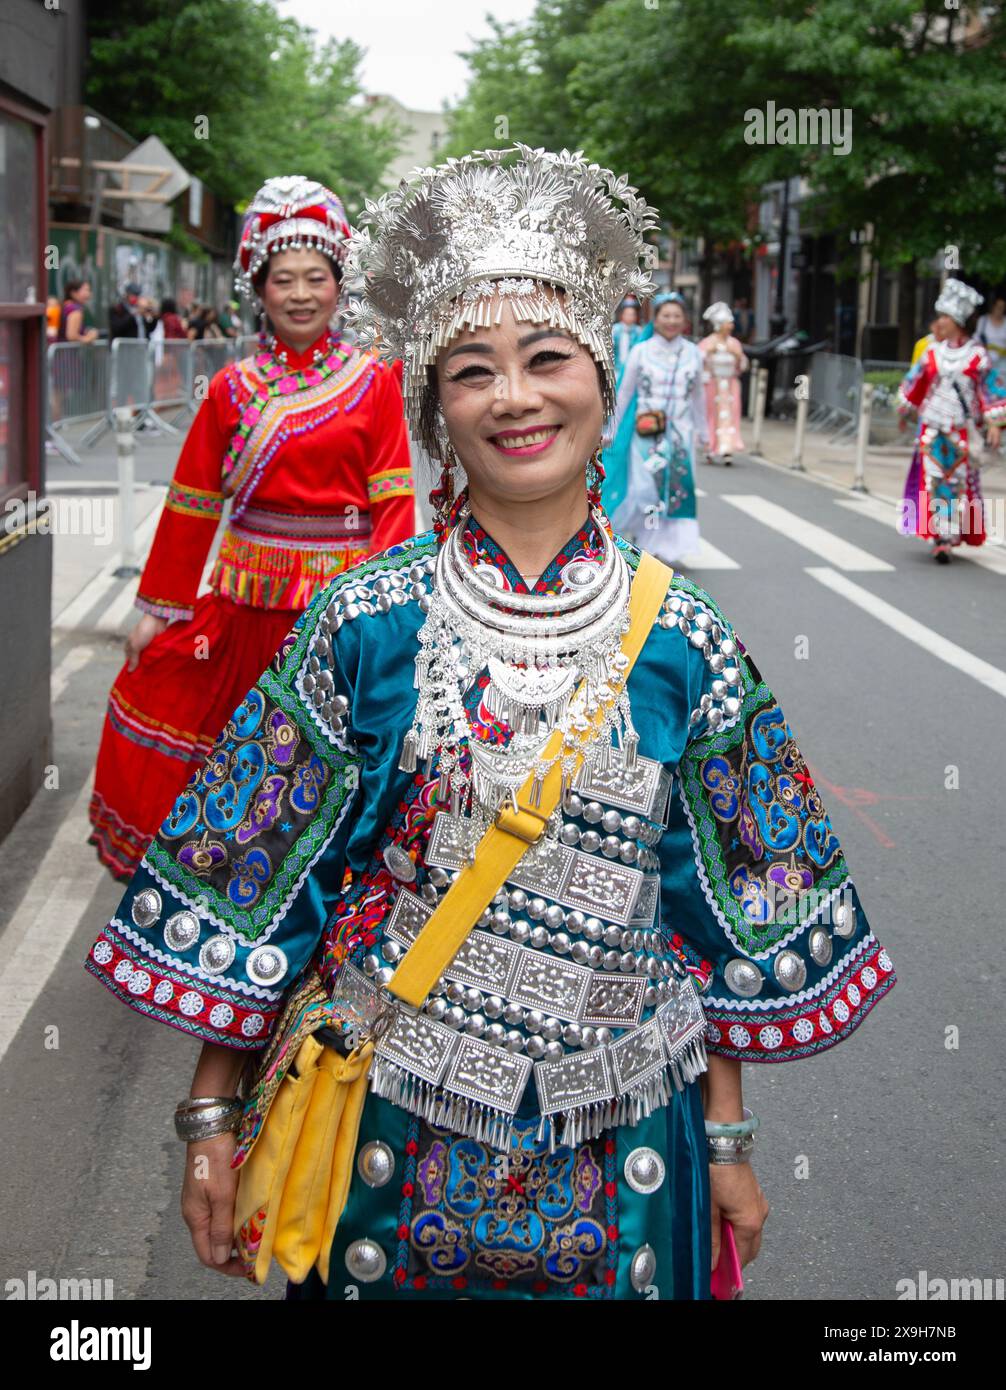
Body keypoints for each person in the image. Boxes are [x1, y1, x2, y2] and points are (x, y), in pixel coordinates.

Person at [84, 144, 896, 1302]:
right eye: (472, 370)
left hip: (630, 1146)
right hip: (385, 1136)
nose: (514, 395)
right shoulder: (362, 622)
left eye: (546, 359)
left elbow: (722, 910)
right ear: (435, 408)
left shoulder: (686, 638)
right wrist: (211, 1114)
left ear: (602, 387)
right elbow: (260, 879)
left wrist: (726, 1142)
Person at [87, 175, 416, 879]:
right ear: (259, 290)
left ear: (338, 285)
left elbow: (392, 502)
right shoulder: (232, 388)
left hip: (337, 617)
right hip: (243, 609)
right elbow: (194, 502)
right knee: (233, 756)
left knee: (323, 765)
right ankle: (220, 895)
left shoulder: (372, 381)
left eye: (316, 278)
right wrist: (156, 610)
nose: (300, 294)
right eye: (284, 280)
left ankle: (318, 912)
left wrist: (389, 613)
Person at [898, 279, 1006, 564]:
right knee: (933, 477)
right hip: (932, 426)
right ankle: (940, 535)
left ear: (957, 321)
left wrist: (995, 422)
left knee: (956, 481)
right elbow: (915, 383)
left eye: (944, 317)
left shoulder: (977, 355)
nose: (939, 323)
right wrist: (905, 409)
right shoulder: (932, 352)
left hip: (961, 429)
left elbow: (991, 389)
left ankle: (950, 532)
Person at [603, 291, 706, 564]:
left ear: (684, 320)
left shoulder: (694, 353)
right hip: (646, 433)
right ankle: (646, 540)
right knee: (646, 488)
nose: (671, 321)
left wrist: (705, 433)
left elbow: (698, 398)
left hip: (681, 434)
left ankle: (669, 545)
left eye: (676, 316)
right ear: (656, 319)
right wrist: (610, 430)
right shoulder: (641, 351)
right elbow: (623, 394)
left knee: (677, 490)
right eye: (666, 315)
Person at [698, 302, 749, 465]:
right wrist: (708, 353)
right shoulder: (707, 342)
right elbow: (696, 362)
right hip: (712, 384)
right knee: (711, 415)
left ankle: (727, 448)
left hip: (730, 384)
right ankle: (710, 447)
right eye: (728, 323)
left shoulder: (734, 344)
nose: (731, 326)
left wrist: (738, 356)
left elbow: (743, 366)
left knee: (731, 415)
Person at [57, 278, 100, 344]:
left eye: (89, 290)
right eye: (85, 290)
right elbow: (71, 336)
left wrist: (85, 332)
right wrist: (89, 338)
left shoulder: (65, 306)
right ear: (74, 293)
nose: (89, 294)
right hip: (68, 353)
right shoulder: (75, 310)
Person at [612, 296, 642, 378]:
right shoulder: (615, 330)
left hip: (633, 369)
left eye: (632, 314)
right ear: (622, 315)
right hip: (616, 369)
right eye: (627, 314)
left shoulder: (638, 331)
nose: (630, 317)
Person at [976, 292, 1006, 365]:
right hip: (985, 359)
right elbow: (976, 338)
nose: (1000, 310)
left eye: (1002, 307)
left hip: (1003, 362)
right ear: (993, 307)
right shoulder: (983, 320)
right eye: (998, 307)